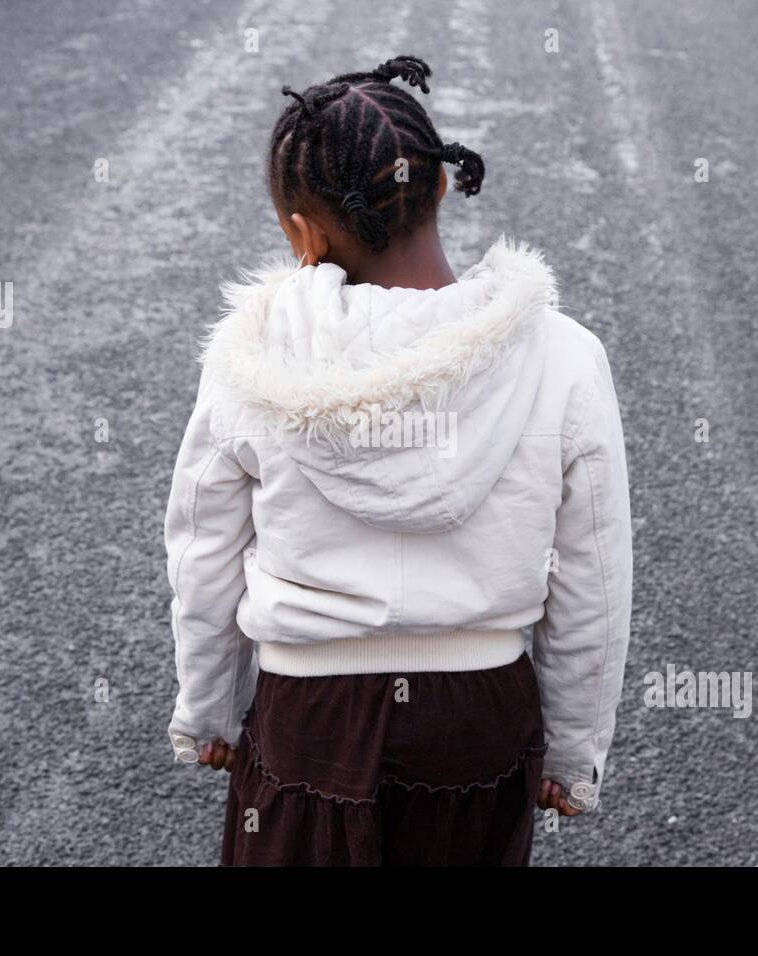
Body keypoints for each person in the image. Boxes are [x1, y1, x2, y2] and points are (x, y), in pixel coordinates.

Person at [164, 55, 632, 866]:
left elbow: (205, 550)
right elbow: (593, 567)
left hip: (311, 716)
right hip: (478, 714)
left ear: (302, 233)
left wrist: (209, 711)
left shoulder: (255, 359)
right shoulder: (562, 355)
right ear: (444, 186)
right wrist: (573, 750)